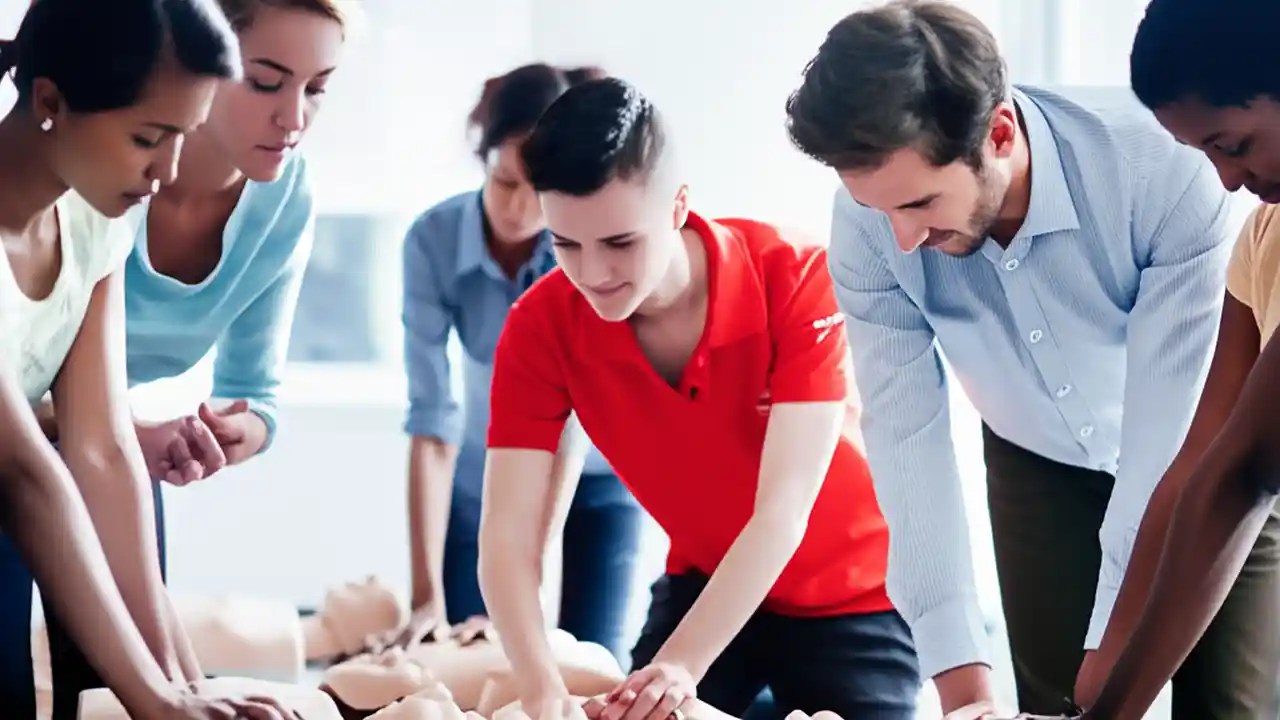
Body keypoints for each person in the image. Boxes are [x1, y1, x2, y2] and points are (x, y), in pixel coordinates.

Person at [782, 1, 1258, 717]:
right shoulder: (870, 230)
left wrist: (1112, 672)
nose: (902, 238)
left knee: (1226, 704)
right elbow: (908, 447)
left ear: (999, 133)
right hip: (1033, 459)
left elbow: (1166, 448)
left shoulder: (1166, 170)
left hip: (1210, 462)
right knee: (1049, 703)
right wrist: (962, 686)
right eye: (881, 210)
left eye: (919, 203)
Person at [479, 77, 919, 720]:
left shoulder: (795, 277)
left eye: (620, 243)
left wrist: (680, 667)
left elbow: (781, 512)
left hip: (857, 597)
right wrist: (540, 684)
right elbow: (507, 536)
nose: (593, 274)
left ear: (678, 204)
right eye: (565, 245)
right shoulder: (538, 326)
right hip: (706, 581)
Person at [26, 0, 349, 712]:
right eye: (266, 82)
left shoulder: (279, 201)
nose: (293, 119)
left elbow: (246, 395)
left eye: (317, 88)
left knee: (123, 683)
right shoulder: (100, 182)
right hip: (46, 444)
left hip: (95, 447)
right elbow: (49, 450)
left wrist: (185, 692)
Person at [391, 63, 644, 663]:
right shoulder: (432, 241)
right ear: (483, 159)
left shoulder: (582, 251)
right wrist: (424, 596)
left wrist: (532, 591)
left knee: (586, 667)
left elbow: (568, 426)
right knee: (461, 657)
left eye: (540, 188)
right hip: (485, 484)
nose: (521, 207)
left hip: (596, 481)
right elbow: (432, 425)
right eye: (504, 181)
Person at [1070, 1, 1280, 718]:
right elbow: (1200, 459)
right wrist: (1110, 662)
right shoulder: (1263, 241)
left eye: (1236, 144)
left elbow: (1243, 472)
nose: (1226, 180)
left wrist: (1111, 713)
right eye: (1206, 156)